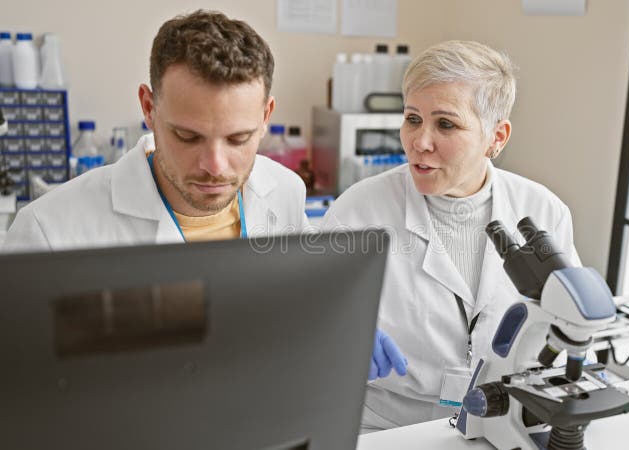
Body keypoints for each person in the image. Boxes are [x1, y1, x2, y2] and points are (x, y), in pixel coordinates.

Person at [2, 10, 405, 382]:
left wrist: (340, 324)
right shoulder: (49, 232)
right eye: (188, 136)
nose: (216, 165)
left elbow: (296, 297)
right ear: (149, 107)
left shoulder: (283, 191)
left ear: (266, 116)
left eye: (238, 138)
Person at [322, 40, 581, 431]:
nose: (419, 141)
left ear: (497, 137)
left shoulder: (542, 211)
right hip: (384, 426)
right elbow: (318, 321)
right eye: (412, 119)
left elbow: (567, 324)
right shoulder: (358, 210)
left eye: (446, 124)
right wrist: (344, 335)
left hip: (503, 421)